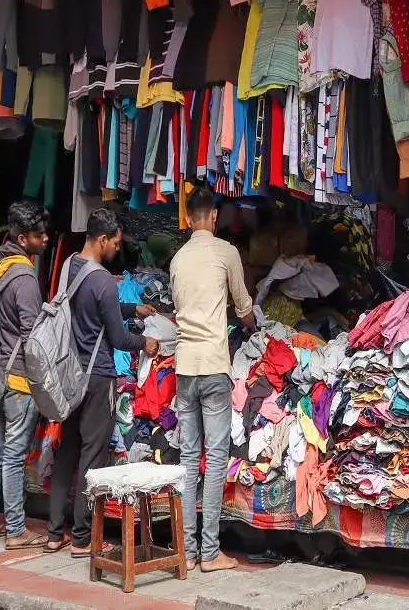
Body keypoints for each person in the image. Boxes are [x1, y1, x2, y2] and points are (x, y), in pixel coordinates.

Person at [45, 208, 157, 556]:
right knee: (93, 456)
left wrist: (131, 309)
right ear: (102, 239)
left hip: (68, 373)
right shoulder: (104, 280)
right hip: (97, 378)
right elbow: (119, 339)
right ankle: (81, 538)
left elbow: (87, 309)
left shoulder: (69, 267)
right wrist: (146, 344)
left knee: (67, 451)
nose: (117, 249)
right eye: (115, 243)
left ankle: (53, 533)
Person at [171, 188, 255, 572]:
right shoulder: (227, 253)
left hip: (184, 367)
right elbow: (243, 305)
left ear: (190, 219)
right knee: (216, 457)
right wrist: (250, 324)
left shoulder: (176, 259)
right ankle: (208, 553)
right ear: (214, 218)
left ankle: (187, 552)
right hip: (214, 366)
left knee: (190, 459)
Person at [0, 201, 48, 545]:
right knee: (14, 456)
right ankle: (16, 530)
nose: (46, 239)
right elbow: (32, 335)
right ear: (22, 239)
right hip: (18, 379)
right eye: (39, 235)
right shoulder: (25, 278)